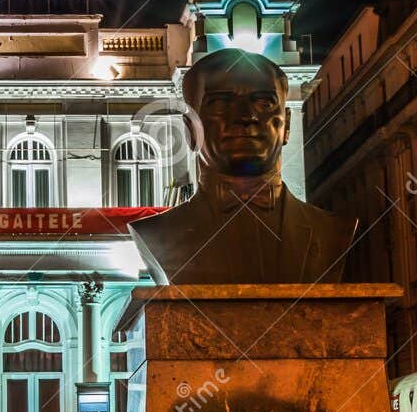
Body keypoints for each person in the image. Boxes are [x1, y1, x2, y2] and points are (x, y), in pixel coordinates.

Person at [131, 49, 356, 285]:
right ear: (190, 130)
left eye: (264, 103)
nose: (246, 116)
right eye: (220, 103)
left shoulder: (332, 231)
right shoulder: (157, 235)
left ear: (287, 125)